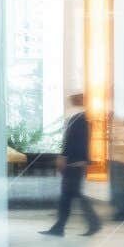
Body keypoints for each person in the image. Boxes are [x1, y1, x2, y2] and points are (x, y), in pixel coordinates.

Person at [41, 92, 100, 237]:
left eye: (73, 100)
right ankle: (60, 227)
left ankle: (91, 223)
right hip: (76, 162)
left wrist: (63, 157)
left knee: (71, 194)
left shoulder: (78, 118)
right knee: (70, 195)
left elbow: (71, 142)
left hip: (73, 162)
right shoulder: (83, 118)